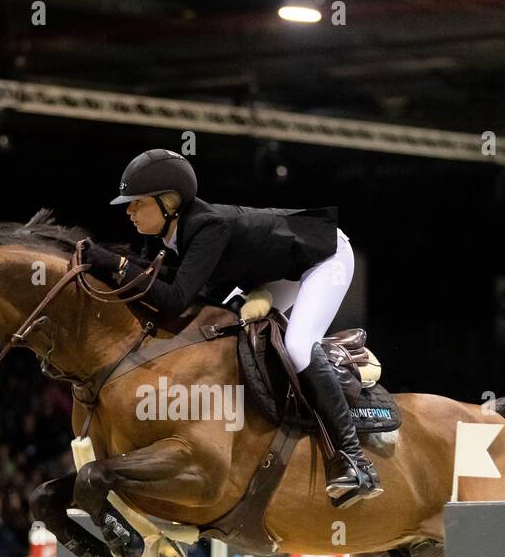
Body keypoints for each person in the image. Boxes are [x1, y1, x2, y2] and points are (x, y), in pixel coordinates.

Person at [80, 149, 381, 507]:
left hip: (324, 257)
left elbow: (175, 298)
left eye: (136, 203)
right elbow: (151, 279)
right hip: (276, 270)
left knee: (299, 344)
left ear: (168, 203)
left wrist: (113, 263)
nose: (128, 210)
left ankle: (355, 461)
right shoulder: (165, 235)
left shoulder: (206, 226)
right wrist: (107, 267)